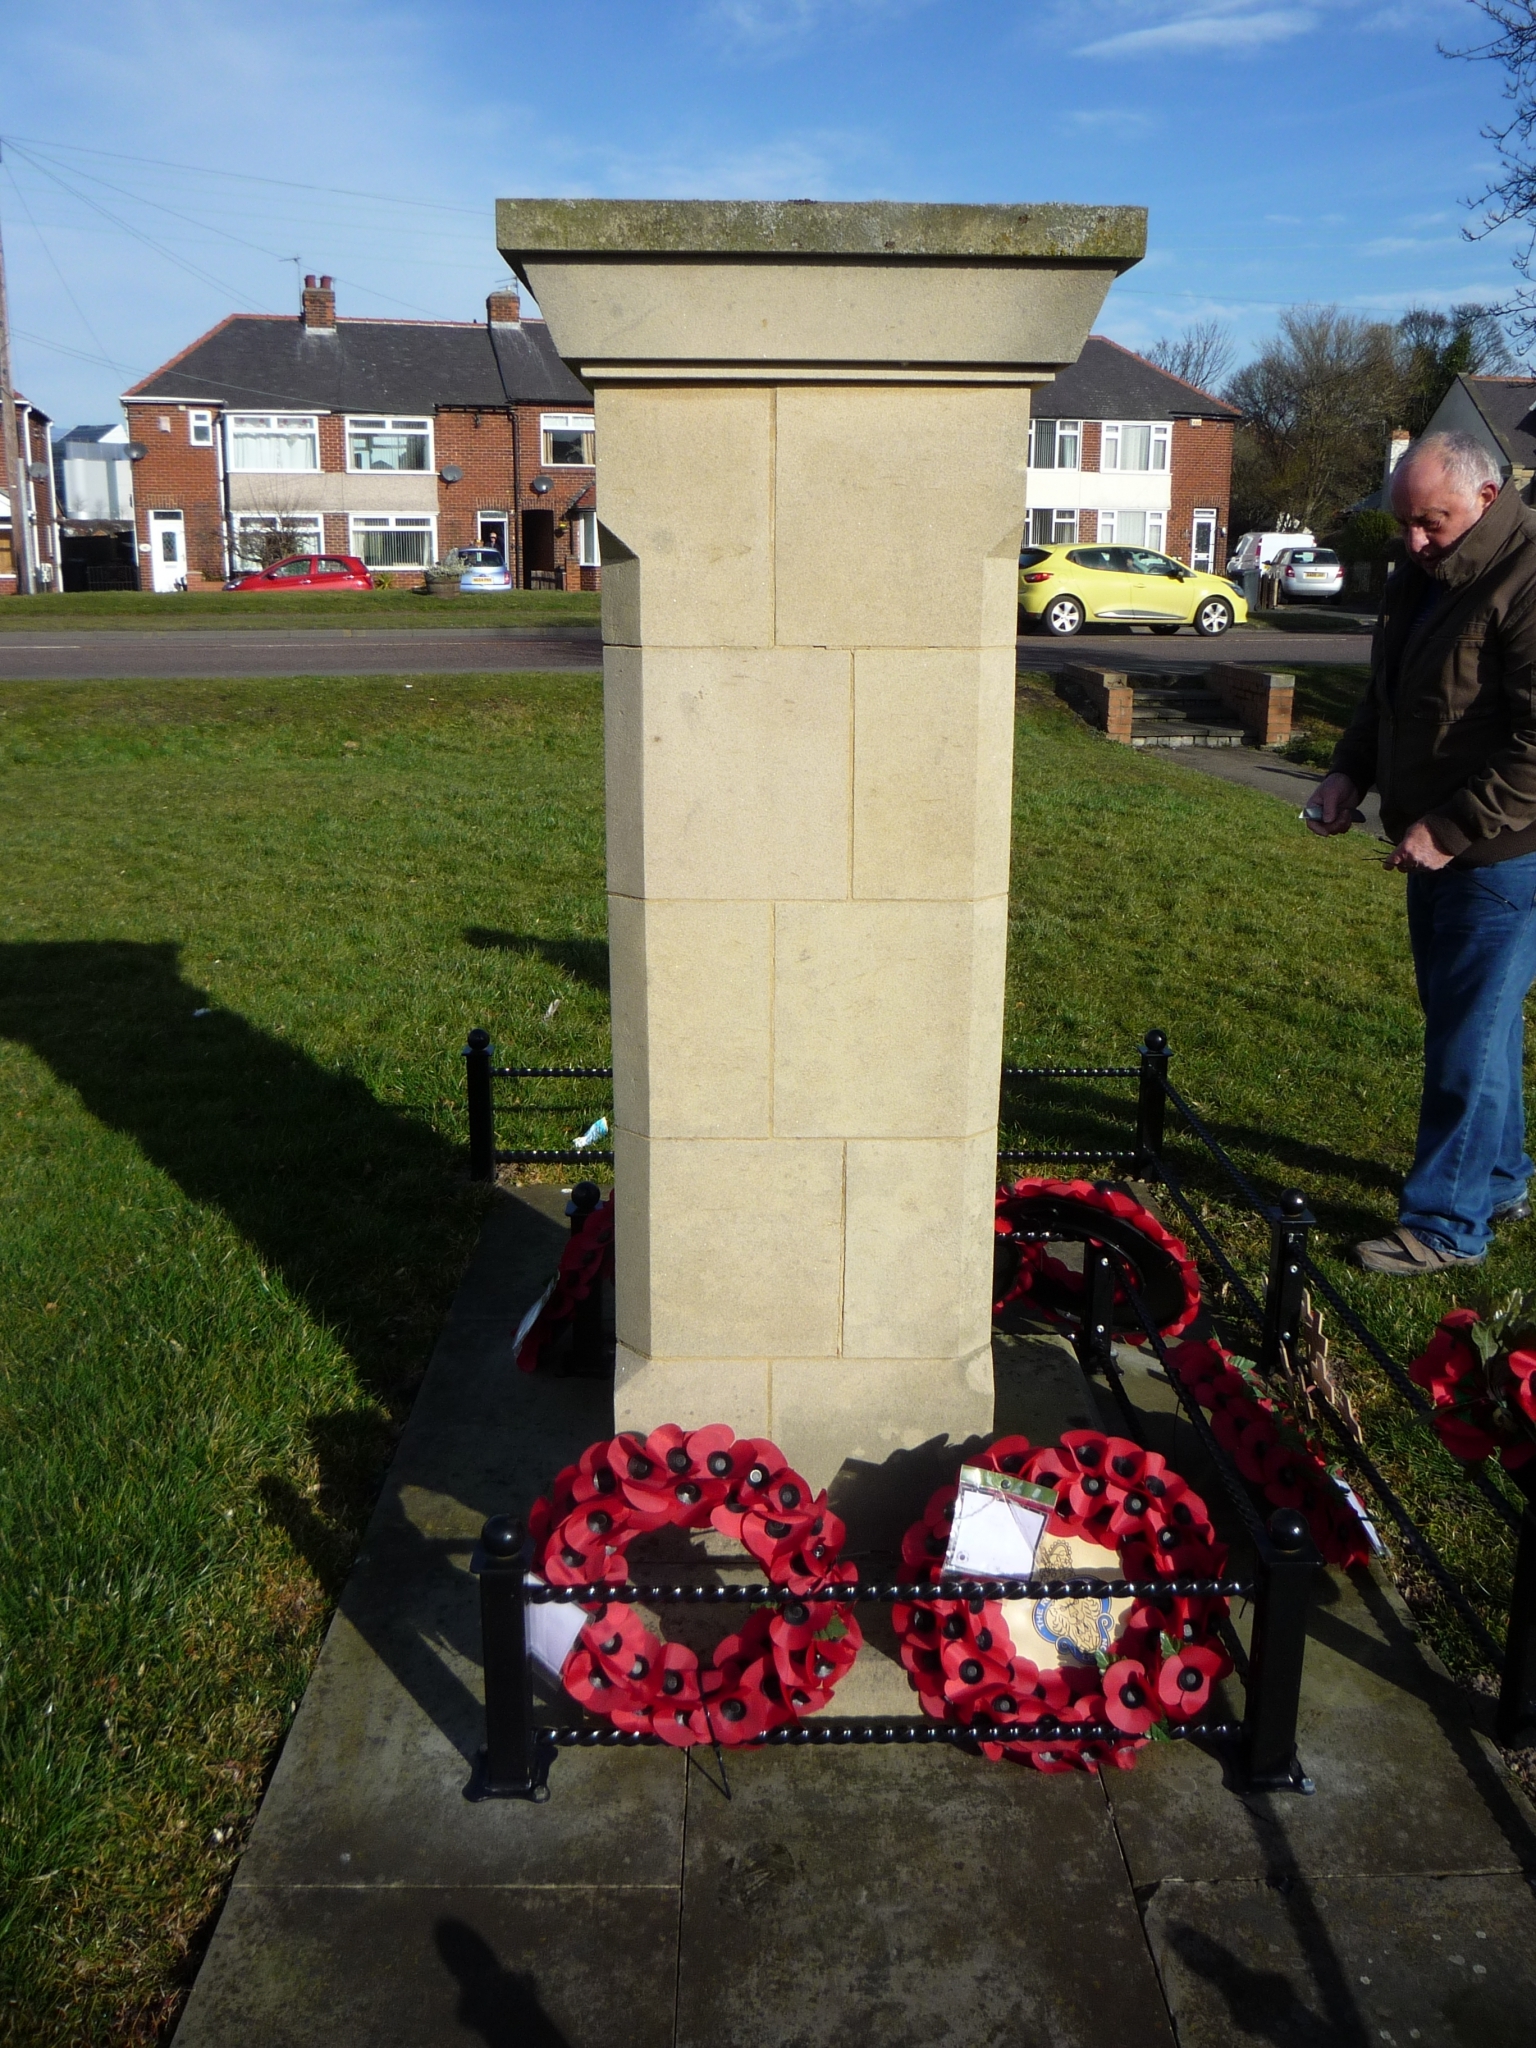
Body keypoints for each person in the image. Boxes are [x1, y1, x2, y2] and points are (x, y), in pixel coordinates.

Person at [1309, 429, 1536, 1275]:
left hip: (1505, 852)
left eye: (1430, 522)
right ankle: (1503, 1177)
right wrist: (1346, 773)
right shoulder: (1424, 574)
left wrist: (1451, 828)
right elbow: (1389, 693)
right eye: (1406, 522)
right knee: (1474, 1025)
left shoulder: (1528, 576)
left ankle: (1445, 1225)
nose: (1412, 541)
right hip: (1434, 845)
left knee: (1466, 1040)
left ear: (1485, 498)